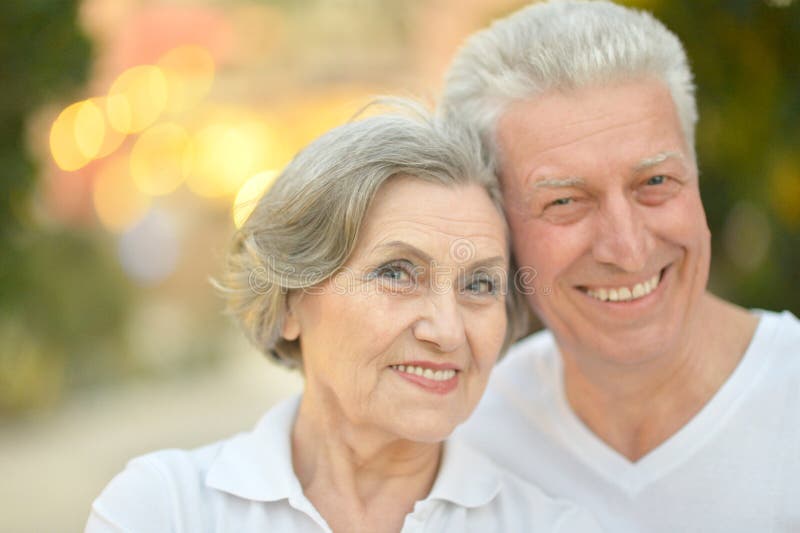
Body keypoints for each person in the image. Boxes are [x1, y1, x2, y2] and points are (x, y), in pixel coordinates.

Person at [85, 104, 602, 532]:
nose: (447, 332)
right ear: (289, 300)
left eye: (479, 284)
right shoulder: (164, 511)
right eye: (398, 273)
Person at [440, 1, 800, 532]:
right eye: (564, 201)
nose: (627, 249)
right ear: (492, 226)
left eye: (655, 183)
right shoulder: (460, 444)